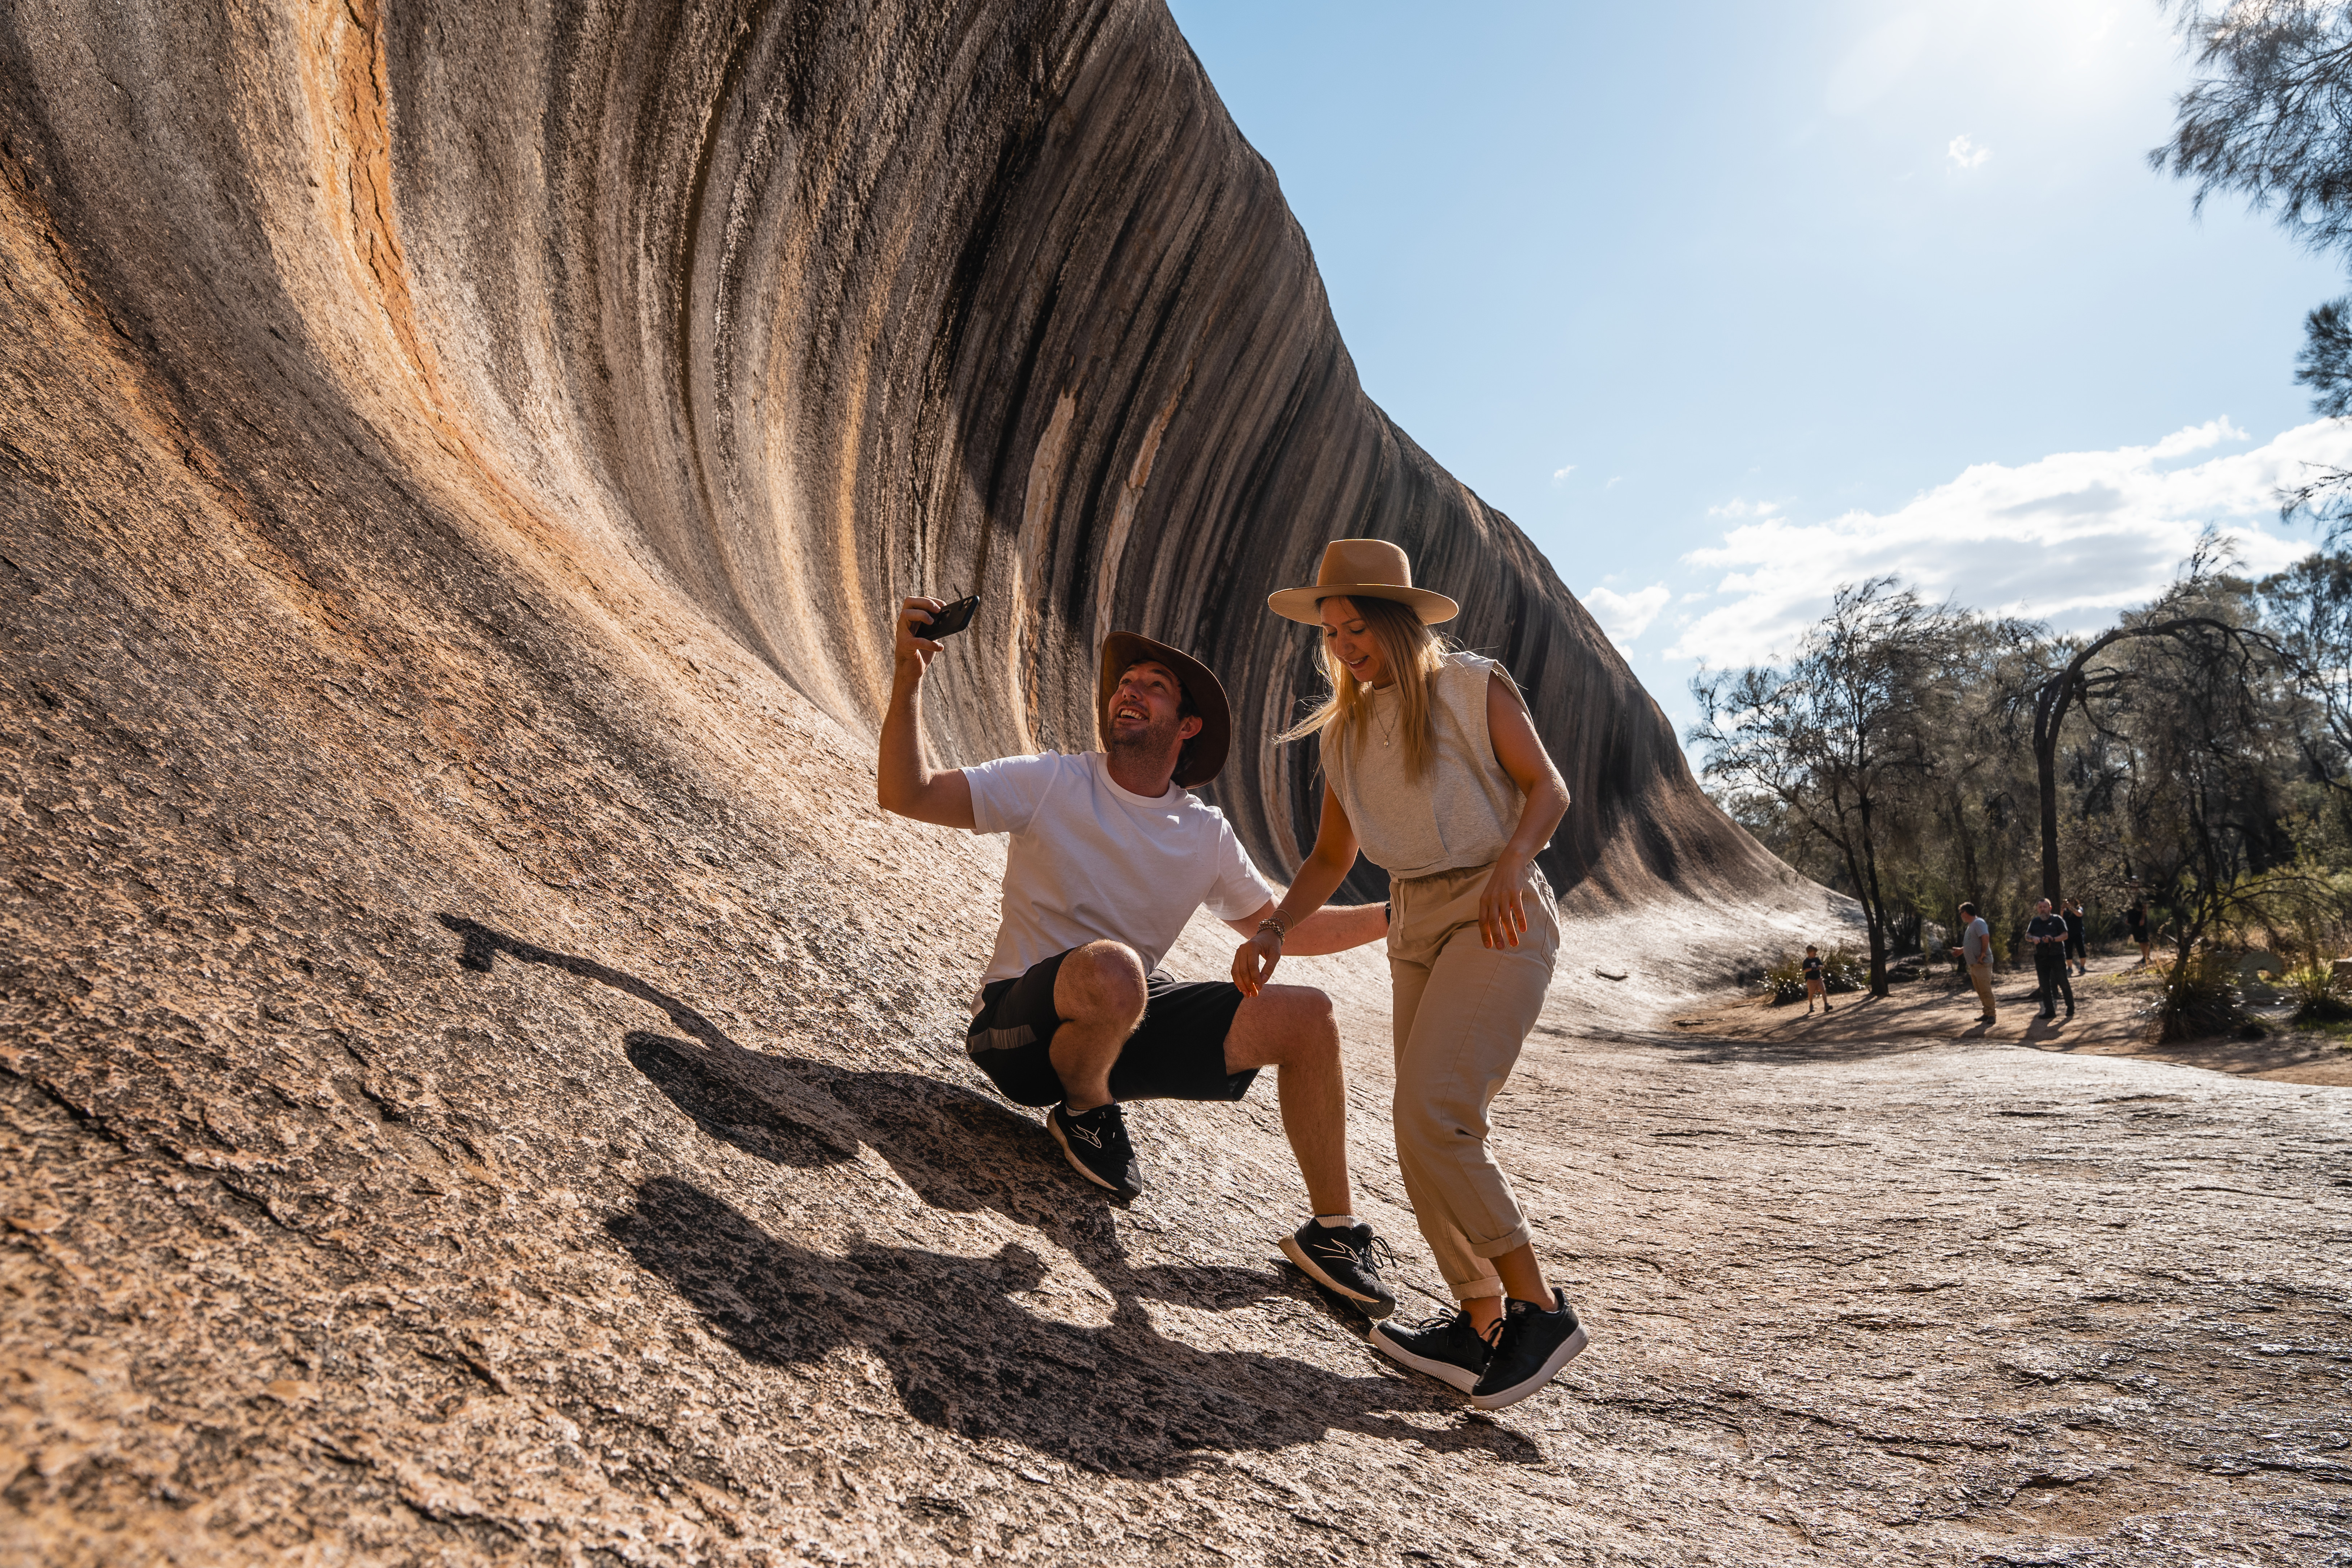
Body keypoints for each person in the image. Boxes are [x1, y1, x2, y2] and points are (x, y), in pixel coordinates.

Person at [876, 598, 1400, 1317]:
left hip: (1121, 1016)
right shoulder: (1054, 781)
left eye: (1153, 685)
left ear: (1188, 728)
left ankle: (1334, 1233)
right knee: (1118, 971)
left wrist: (1399, 916)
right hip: (1017, 1030)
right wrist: (908, 678)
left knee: (1308, 1016)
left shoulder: (1204, 834)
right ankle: (1086, 1110)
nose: (1129, 690)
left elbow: (1289, 928)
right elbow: (904, 794)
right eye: (1127, 682)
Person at [1232, 538, 1586, 1412]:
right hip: (1412, 917)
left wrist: (1511, 862)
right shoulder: (1343, 731)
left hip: (1497, 908)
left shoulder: (1473, 686)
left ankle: (1538, 1309)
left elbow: (1547, 788)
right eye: (1330, 631)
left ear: (1395, 621)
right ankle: (1475, 1321)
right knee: (1413, 1121)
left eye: (1357, 626)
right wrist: (1275, 927)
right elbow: (1328, 855)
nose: (1344, 645)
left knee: (1437, 1112)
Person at [2026, 897, 2074, 1019]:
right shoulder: (2035, 921)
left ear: (2050, 908)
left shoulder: (2057, 920)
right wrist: (2033, 938)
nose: (2043, 910)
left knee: (2063, 982)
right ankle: (2050, 1011)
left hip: (2057, 956)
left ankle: (2070, 1007)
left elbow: (2066, 935)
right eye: (2040, 907)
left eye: (2045, 907)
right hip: (2041, 958)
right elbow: (2027, 935)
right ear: (2037, 909)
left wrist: (2053, 939)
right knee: (2044, 986)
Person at [1952, 902, 1996, 1024]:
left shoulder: (1979, 923)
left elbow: (1985, 937)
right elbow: (1972, 944)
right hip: (1974, 964)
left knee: (1985, 989)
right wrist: (1961, 951)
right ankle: (1987, 1013)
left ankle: (1992, 1014)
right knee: (1980, 990)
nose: (1961, 916)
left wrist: (1983, 953)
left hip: (1982, 963)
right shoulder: (1971, 925)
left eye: (1961, 914)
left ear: (1965, 913)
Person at [2063, 897, 2088, 977]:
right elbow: (2061, 916)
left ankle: (2082, 967)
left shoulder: (2079, 908)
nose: (2069, 903)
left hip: (2078, 933)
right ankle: (2070, 968)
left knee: (2081, 950)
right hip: (2068, 934)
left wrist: (2071, 908)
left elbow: (2079, 914)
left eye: (2070, 901)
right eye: (2068, 902)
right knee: (2068, 951)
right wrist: (2063, 908)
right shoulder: (2065, 911)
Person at [1801, 945, 1830, 1013]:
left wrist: (1821, 967)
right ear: (1809, 953)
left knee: (1823, 990)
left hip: (1818, 978)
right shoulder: (1806, 961)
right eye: (1814, 953)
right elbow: (1804, 970)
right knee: (1811, 993)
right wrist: (1812, 969)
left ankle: (1826, 1004)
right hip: (1811, 980)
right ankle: (1811, 1005)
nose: (1815, 954)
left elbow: (1822, 966)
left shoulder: (1817, 959)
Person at [2127, 897, 2152, 967]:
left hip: (2141, 920)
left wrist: (2143, 919)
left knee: (2144, 940)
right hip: (2134, 921)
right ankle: (2144, 957)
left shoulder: (2141, 895)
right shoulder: (2130, 894)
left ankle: (2148, 958)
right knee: (2140, 940)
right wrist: (2129, 919)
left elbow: (2145, 908)